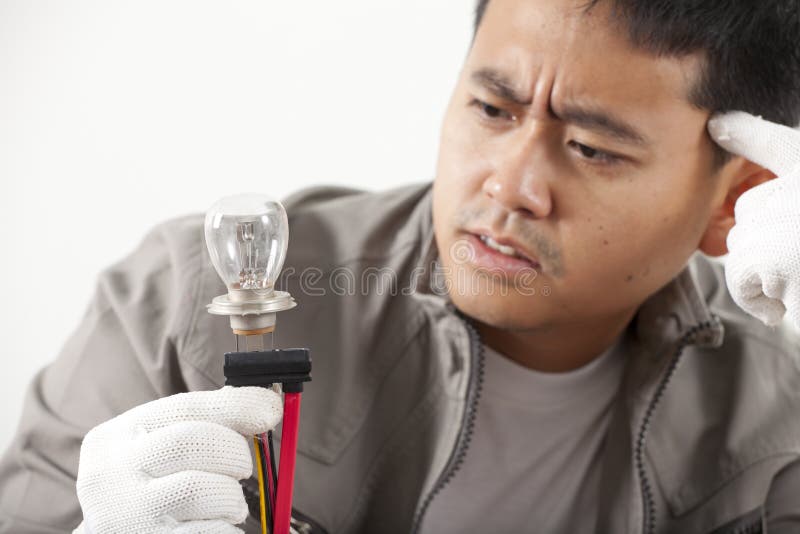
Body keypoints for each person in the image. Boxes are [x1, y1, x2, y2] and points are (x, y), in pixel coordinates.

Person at [2, 0, 800, 532]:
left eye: (592, 148)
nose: (509, 185)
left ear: (737, 197)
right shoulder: (176, 310)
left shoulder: (779, 414)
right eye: (492, 108)